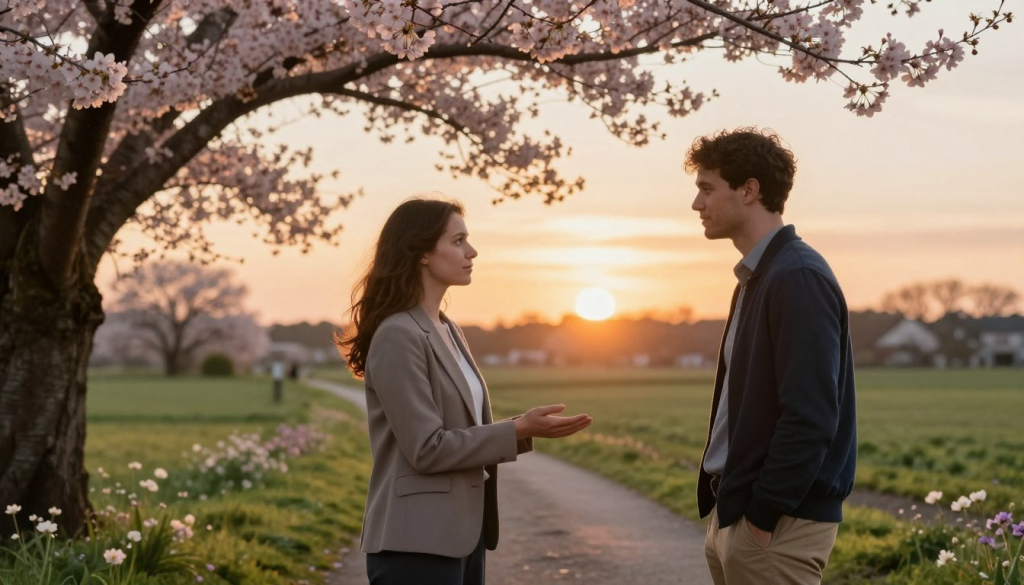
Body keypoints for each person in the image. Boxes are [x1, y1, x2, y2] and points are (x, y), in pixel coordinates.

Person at [338, 197, 593, 585]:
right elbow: (427, 449)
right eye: (458, 241)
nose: (471, 251)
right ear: (421, 252)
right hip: (416, 543)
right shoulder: (398, 335)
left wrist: (522, 427)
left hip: (461, 535)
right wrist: (518, 430)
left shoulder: (447, 328)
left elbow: (457, 428)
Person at [686, 128, 857, 585]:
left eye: (706, 188)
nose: (696, 204)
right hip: (738, 515)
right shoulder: (757, 277)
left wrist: (762, 519)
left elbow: (810, 417)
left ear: (749, 190)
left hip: (776, 527)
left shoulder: (796, 277)